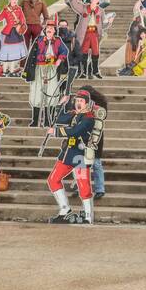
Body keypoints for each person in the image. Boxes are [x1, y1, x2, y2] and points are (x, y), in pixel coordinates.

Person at [45, 88, 98, 224]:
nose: (78, 103)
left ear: (87, 103)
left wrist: (55, 132)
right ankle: (65, 210)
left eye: (81, 101)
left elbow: (75, 131)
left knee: (83, 186)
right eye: (77, 101)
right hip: (67, 154)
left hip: (79, 155)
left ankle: (87, 216)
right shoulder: (75, 114)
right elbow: (60, 118)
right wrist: (60, 104)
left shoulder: (89, 118)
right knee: (53, 179)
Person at [23, 20, 69, 127]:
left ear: (54, 31)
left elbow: (64, 51)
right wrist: (44, 58)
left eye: (52, 28)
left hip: (52, 69)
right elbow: (34, 54)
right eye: (48, 28)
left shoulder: (58, 41)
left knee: (52, 93)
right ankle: (35, 121)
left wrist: (59, 60)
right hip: (39, 68)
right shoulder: (39, 40)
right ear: (45, 29)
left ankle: (49, 121)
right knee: (37, 93)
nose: (49, 30)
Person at [0, 0, 28, 76]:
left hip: (16, 32)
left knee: (14, 54)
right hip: (7, 32)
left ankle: (12, 71)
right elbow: (0, 18)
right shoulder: (6, 9)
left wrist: (21, 24)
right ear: (10, 0)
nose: (15, 0)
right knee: (5, 52)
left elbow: (23, 19)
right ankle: (5, 71)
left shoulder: (19, 9)